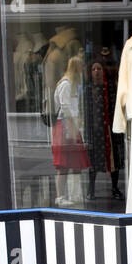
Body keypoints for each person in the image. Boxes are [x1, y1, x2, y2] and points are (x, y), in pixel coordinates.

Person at [51, 55, 89, 205]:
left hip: (70, 124)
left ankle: (75, 194)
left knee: (75, 162)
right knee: (64, 164)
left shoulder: (71, 84)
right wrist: (73, 124)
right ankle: (61, 197)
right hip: (66, 124)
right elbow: (65, 106)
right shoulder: (66, 84)